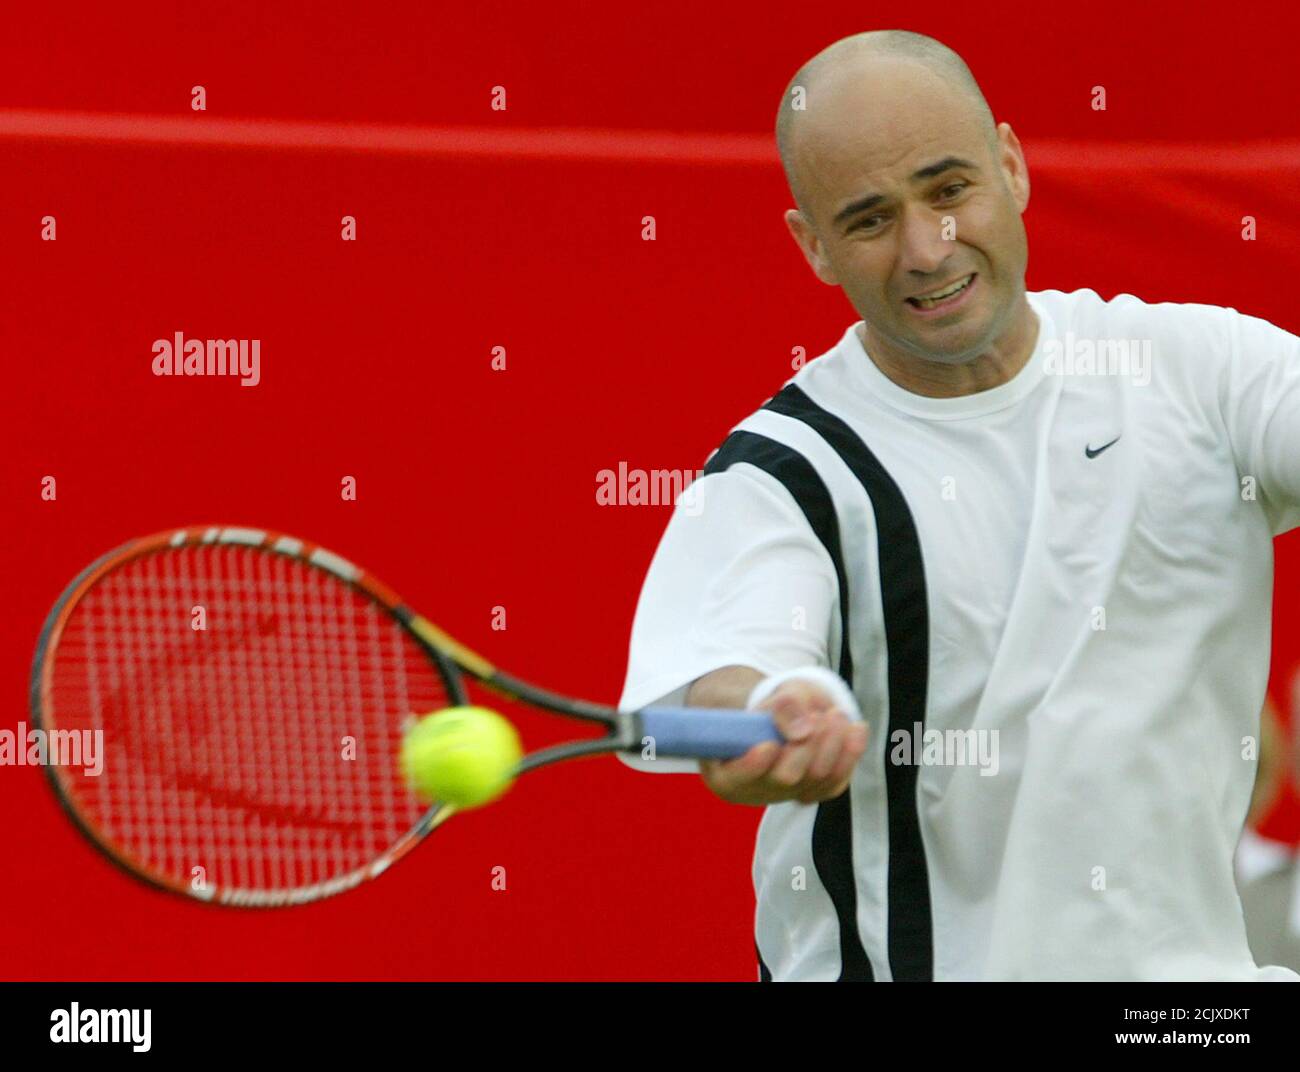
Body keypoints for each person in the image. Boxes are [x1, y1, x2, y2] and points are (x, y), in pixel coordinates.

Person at [618, 29, 1300, 981]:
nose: (926, 248)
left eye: (948, 191)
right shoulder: (783, 472)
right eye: (868, 219)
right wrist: (775, 707)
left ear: (1012, 166)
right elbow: (720, 680)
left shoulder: (1204, 373)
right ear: (812, 246)